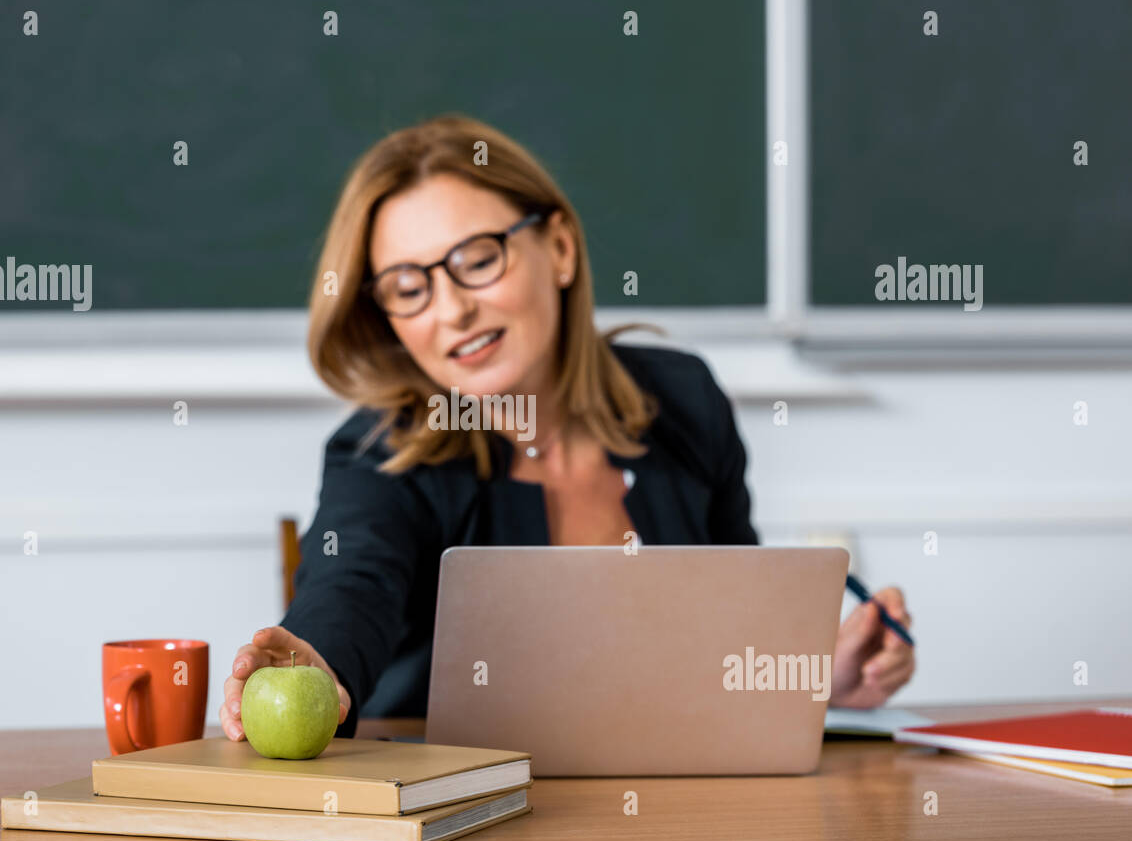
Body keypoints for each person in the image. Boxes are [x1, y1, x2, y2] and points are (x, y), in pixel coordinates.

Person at [220, 114, 914, 743]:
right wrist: (318, 658)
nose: (453, 308)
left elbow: (735, 633)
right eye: (408, 287)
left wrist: (814, 679)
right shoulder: (381, 450)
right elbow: (352, 584)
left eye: (478, 258)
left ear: (558, 247)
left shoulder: (683, 400)